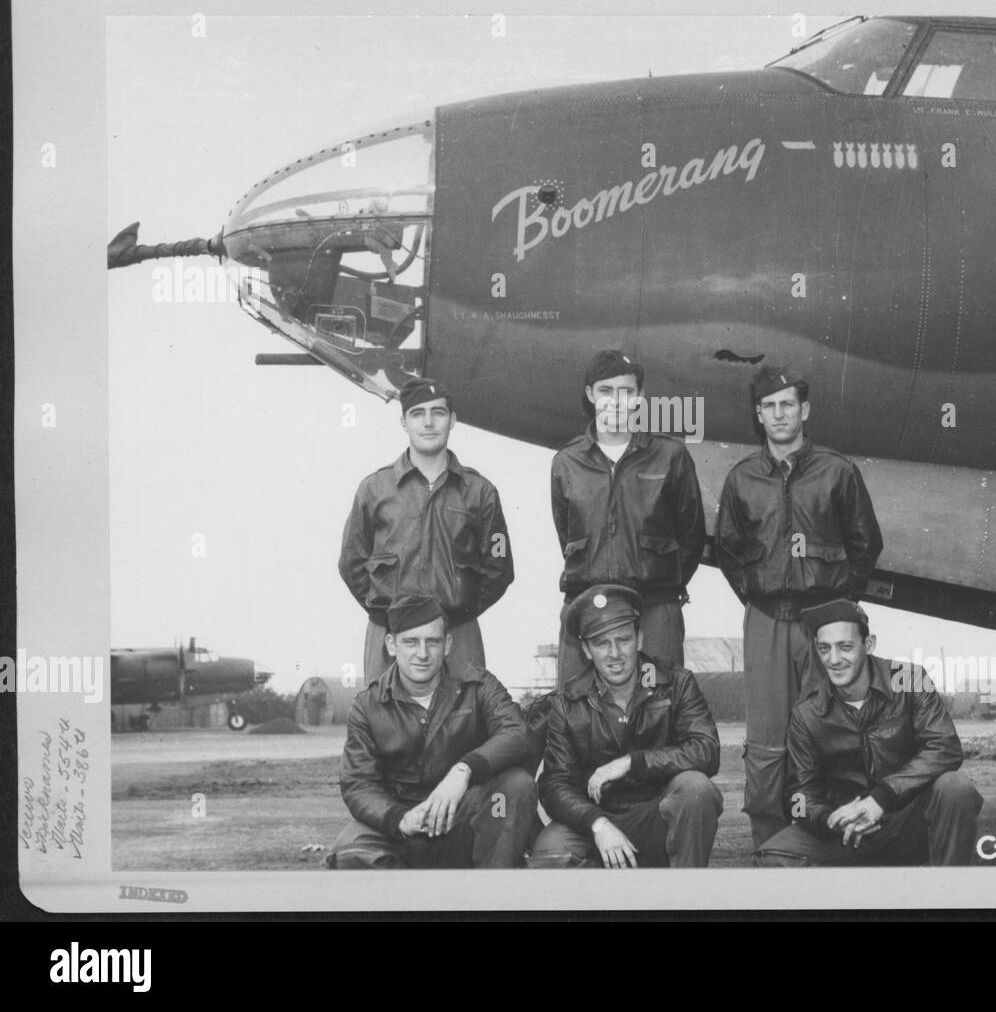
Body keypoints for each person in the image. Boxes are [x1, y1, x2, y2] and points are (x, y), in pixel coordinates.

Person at [715, 365, 884, 851]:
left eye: (788, 404)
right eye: (769, 406)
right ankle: (770, 843)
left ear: (804, 410)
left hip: (823, 623)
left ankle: (835, 837)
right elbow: (728, 551)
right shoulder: (743, 478)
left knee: (830, 726)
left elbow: (865, 544)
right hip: (766, 621)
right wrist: (758, 590)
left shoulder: (837, 471)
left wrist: (837, 605)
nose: (779, 414)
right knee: (768, 739)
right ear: (758, 415)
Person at [756, 599, 982, 867]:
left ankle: (948, 896)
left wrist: (882, 798)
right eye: (824, 648)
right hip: (849, 830)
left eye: (846, 647)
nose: (834, 659)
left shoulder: (908, 679)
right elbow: (796, 797)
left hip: (909, 821)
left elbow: (945, 747)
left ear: (869, 644)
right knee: (772, 857)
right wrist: (829, 820)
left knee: (956, 788)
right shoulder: (806, 713)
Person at [326, 595, 537, 869]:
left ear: (447, 644)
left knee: (513, 787)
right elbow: (358, 784)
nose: (422, 654)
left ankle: (491, 897)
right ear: (391, 645)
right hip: (400, 828)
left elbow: (518, 733)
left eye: (432, 641)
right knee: (350, 851)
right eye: (411, 642)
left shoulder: (479, 685)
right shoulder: (368, 705)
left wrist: (464, 770)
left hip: (462, 820)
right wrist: (399, 819)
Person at [532, 585, 722, 869]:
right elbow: (555, 785)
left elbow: (706, 750)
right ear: (585, 649)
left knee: (697, 789)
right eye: (601, 644)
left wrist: (634, 763)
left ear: (639, 639)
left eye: (623, 640)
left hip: (659, 812)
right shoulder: (567, 702)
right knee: (551, 853)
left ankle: (686, 896)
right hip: (598, 818)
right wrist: (597, 824)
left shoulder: (676, 683)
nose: (614, 653)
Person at [339, 377, 513, 685]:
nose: (429, 422)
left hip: (457, 634)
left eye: (438, 412)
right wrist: (387, 614)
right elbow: (351, 562)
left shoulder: (481, 493)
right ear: (404, 422)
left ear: (453, 420)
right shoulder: (374, 490)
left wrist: (459, 612)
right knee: (386, 725)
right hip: (390, 637)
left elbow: (499, 566)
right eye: (418, 413)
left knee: (464, 724)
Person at [550, 349, 705, 686]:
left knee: (659, 712)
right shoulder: (567, 462)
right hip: (587, 606)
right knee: (581, 720)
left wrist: (663, 587)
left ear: (640, 397)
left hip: (654, 609)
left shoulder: (671, 456)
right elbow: (567, 535)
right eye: (606, 391)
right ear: (590, 394)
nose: (616, 402)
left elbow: (692, 538)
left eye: (627, 392)